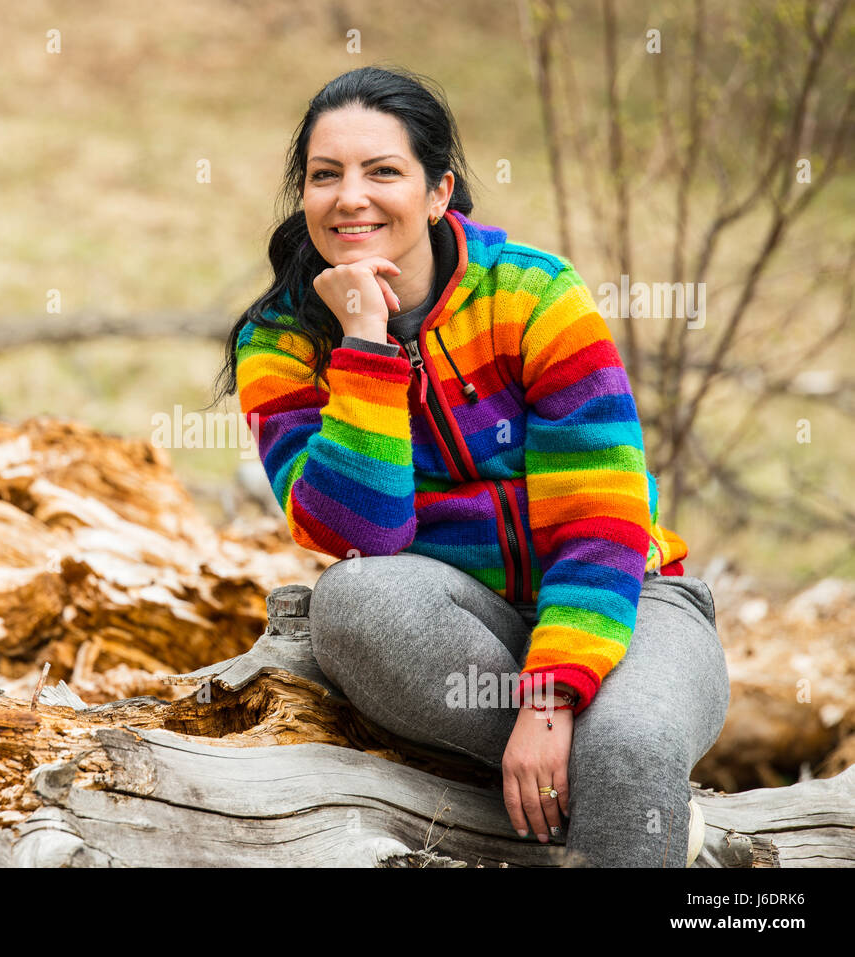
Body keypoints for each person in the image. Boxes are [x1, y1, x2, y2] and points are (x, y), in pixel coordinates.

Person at [211, 65, 731, 867]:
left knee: (627, 741)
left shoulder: (533, 296)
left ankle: (622, 779)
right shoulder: (280, 341)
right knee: (350, 603)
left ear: (437, 192)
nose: (351, 197)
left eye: (383, 171)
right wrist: (365, 344)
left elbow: (601, 522)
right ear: (304, 197)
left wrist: (553, 697)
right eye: (325, 176)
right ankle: (627, 798)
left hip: (630, 601)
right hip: (464, 628)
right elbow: (360, 536)